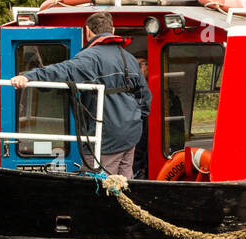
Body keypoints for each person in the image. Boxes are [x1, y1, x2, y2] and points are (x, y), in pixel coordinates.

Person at [10, 12, 151, 177]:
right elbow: (144, 96)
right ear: (112, 29)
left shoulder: (89, 58)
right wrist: (134, 118)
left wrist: (29, 76)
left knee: (100, 183)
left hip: (106, 137)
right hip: (130, 134)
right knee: (124, 181)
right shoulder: (129, 59)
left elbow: (63, 70)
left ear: (87, 31)